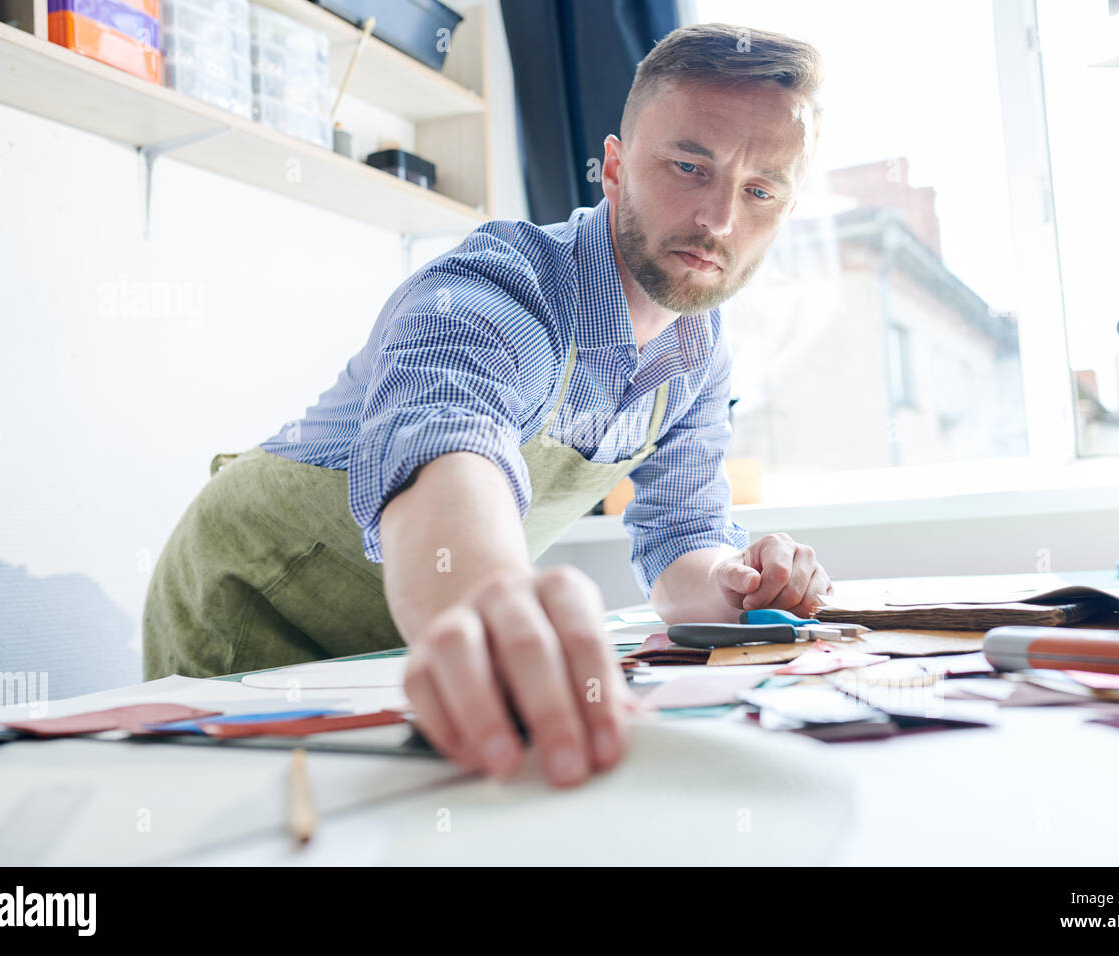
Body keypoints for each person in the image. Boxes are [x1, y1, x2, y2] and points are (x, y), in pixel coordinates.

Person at [143, 22, 834, 788]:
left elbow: (683, 544)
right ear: (613, 168)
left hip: (410, 649)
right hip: (252, 611)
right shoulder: (500, 289)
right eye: (687, 165)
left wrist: (742, 584)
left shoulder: (700, 358)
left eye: (759, 190)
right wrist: (493, 598)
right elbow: (445, 436)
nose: (718, 221)